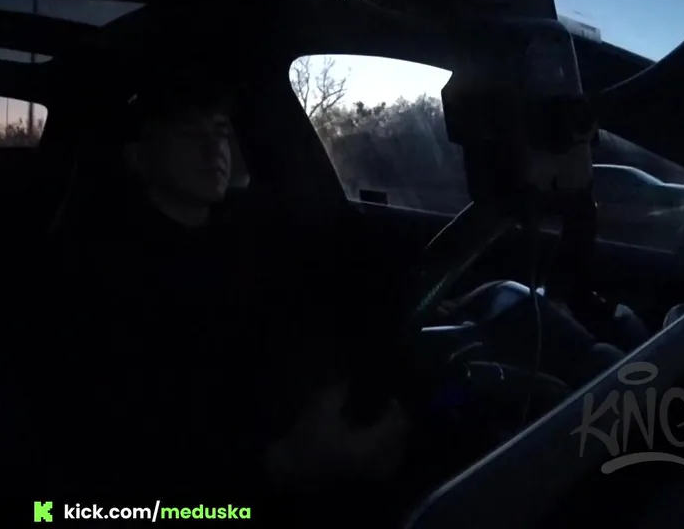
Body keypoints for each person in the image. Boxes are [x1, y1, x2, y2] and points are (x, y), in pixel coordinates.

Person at [37, 74, 411, 504]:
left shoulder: (250, 236)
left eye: (219, 132)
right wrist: (287, 463)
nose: (213, 147)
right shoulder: (103, 274)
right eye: (187, 133)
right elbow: (125, 446)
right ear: (138, 158)